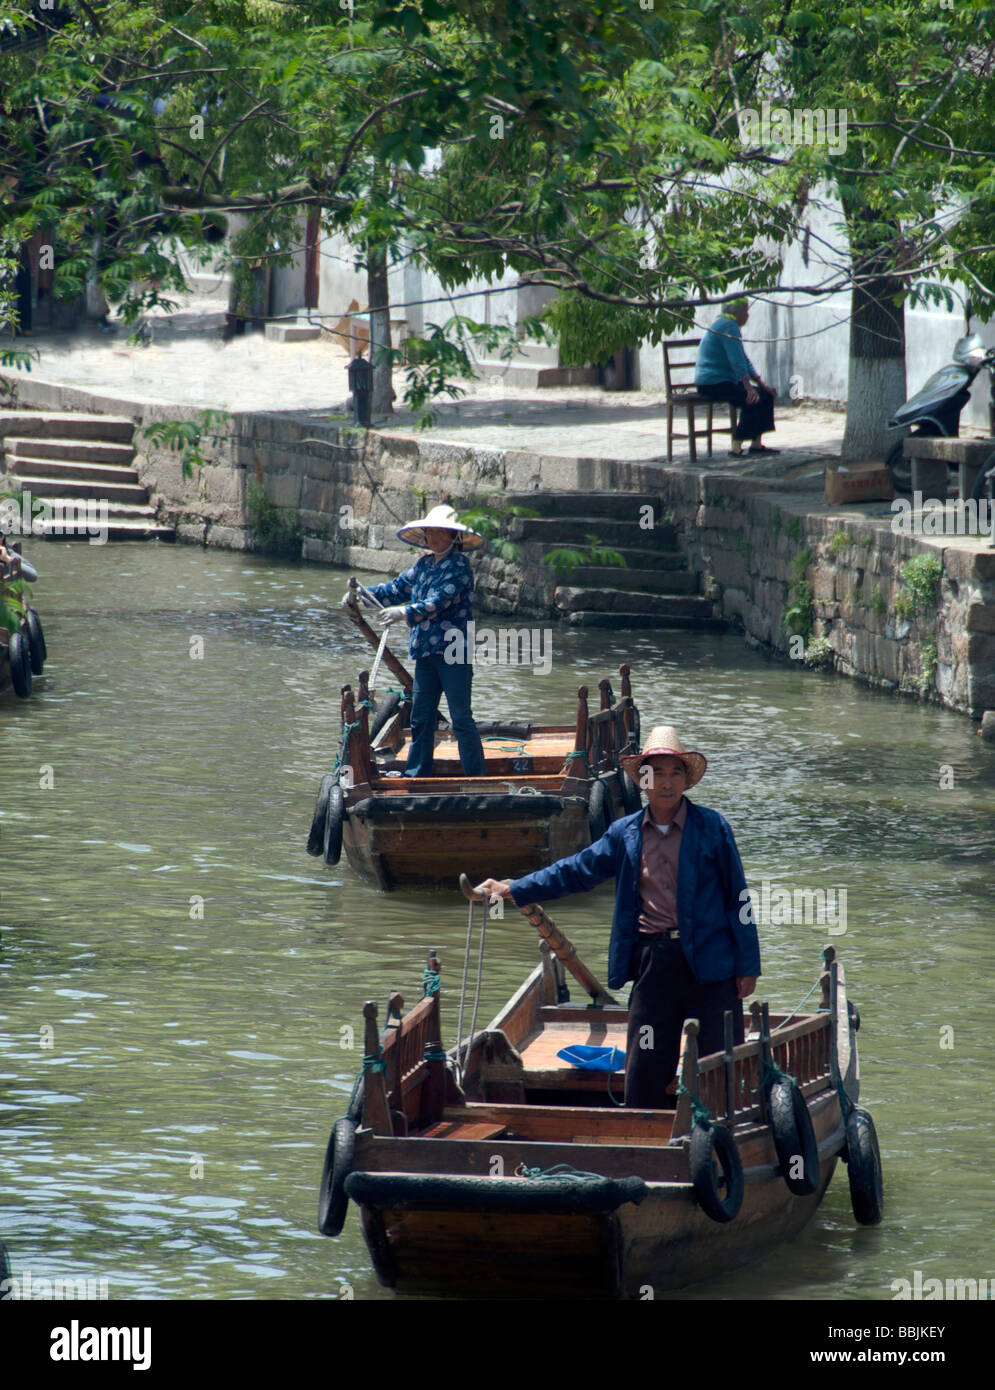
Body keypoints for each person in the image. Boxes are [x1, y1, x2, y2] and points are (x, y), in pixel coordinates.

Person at [475, 726, 761, 1108]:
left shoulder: (713, 829)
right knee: (644, 1066)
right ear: (642, 779)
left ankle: (721, 1141)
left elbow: (738, 900)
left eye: (675, 772)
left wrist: (748, 965)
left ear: (686, 780)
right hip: (653, 962)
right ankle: (646, 1143)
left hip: (712, 965)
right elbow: (574, 871)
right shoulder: (624, 834)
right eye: (656, 773)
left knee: (720, 1064)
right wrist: (514, 888)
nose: (666, 782)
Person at [341, 504, 486, 778]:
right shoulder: (422, 566)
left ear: (453, 536)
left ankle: (476, 776)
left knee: (461, 718)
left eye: (440, 531)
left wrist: (403, 612)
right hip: (425, 653)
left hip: (453, 653)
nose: (433, 536)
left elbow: (438, 602)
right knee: (421, 717)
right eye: (430, 531)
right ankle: (417, 773)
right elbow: (394, 589)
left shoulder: (460, 567)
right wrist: (360, 593)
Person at [694, 297, 779, 456]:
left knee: (765, 395)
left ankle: (756, 444)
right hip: (712, 383)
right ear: (736, 312)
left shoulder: (729, 325)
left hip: (725, 381)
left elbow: (743, 359)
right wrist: (749, 388)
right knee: (752, 399)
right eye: (745, 311)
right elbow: (737, 362)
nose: (747, 315)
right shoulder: (728, 326)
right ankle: (736, 446)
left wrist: (762, 384)